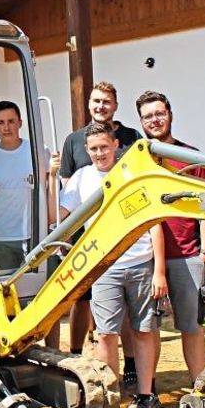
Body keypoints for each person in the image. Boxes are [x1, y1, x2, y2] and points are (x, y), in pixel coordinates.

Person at [58, 121, 166, 408]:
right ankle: (113, 398)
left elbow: (155, 222)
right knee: (106, 335)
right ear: (86, 151)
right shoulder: (81, 178)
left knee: (143, 331)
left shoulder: (133, 175)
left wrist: (159, 270)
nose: (99, 153)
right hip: (104, 267)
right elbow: (62, 217)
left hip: (140, 263)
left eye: (104, 146)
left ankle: (145, 397)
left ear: (116, 145)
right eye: (93, 149)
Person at [56, 82, 144, 358]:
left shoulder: (132, 137)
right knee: (80, 297)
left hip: (127, 238)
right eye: (96, 101)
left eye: (106, 101)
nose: (101, 106)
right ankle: (76, 351)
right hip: (87, 234)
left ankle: (129, 361)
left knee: (126, 308)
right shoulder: (74, 140)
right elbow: (69, 188)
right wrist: (67, 232)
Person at [137, 90, 205, 383]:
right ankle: (148, 388)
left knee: (191, 326)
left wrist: (204, 255)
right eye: (148, 116)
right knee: (148, 328)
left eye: (159, 113)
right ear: (141, 122)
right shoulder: (138, 161)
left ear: (170, 114)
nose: (154, 120)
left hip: (187, 254)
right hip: (144, 257)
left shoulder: (191, 158)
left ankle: (199, 386)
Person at [0, 100, 59, 269]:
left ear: (20, 123)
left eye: (11, 121)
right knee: (7, 291)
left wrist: (50, 225)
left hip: (35, 235)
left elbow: (49, 190)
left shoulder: (39, 150)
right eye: (1, 123)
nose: (6, 127)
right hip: (1, 239)